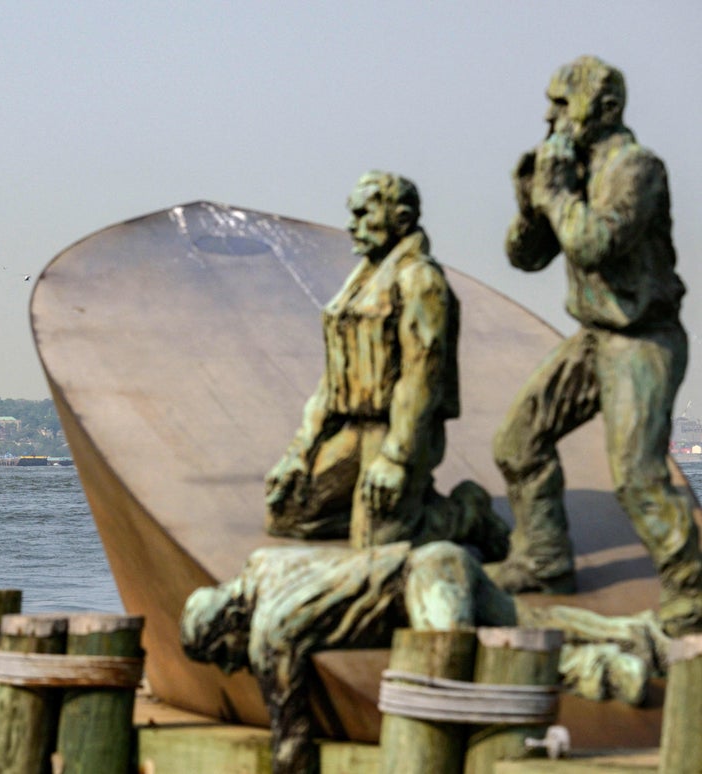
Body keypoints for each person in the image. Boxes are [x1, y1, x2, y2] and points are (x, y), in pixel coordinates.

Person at [491, 56, 702, 636]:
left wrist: (557, 191)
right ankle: (544, 559)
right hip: (595, 337)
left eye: (562, 103)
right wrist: (530, 201)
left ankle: (691, 586)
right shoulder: (573, 169)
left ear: (606, 110)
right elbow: (526, 257)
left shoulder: (636, 168)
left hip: (642, 341)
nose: (549, 115)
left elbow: (592, 244)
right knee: (518, 440)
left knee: (637, 477)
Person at [181, 540, 664, 774]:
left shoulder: (271, 630)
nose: (230, 667)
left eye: (222, 655)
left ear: (228, 625)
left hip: (422, 584)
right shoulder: (264, 565)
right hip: (438, 557)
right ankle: (637, 634)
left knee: (473, 655)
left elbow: (291, 738)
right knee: (525, 620)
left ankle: (610, 670)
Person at [265, 171, 506, 560]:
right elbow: (333, 377)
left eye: (363, 215)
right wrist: (301, 449)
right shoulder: (360, 281)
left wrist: (396, 456)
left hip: (397, 431)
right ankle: (396, 511)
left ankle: (466, 514)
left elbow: (420, 375)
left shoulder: (421, 281)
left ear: (402, 220)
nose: (351, 225)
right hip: (352, 429)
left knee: (378, 543)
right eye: (352, 214)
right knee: (286, 510)